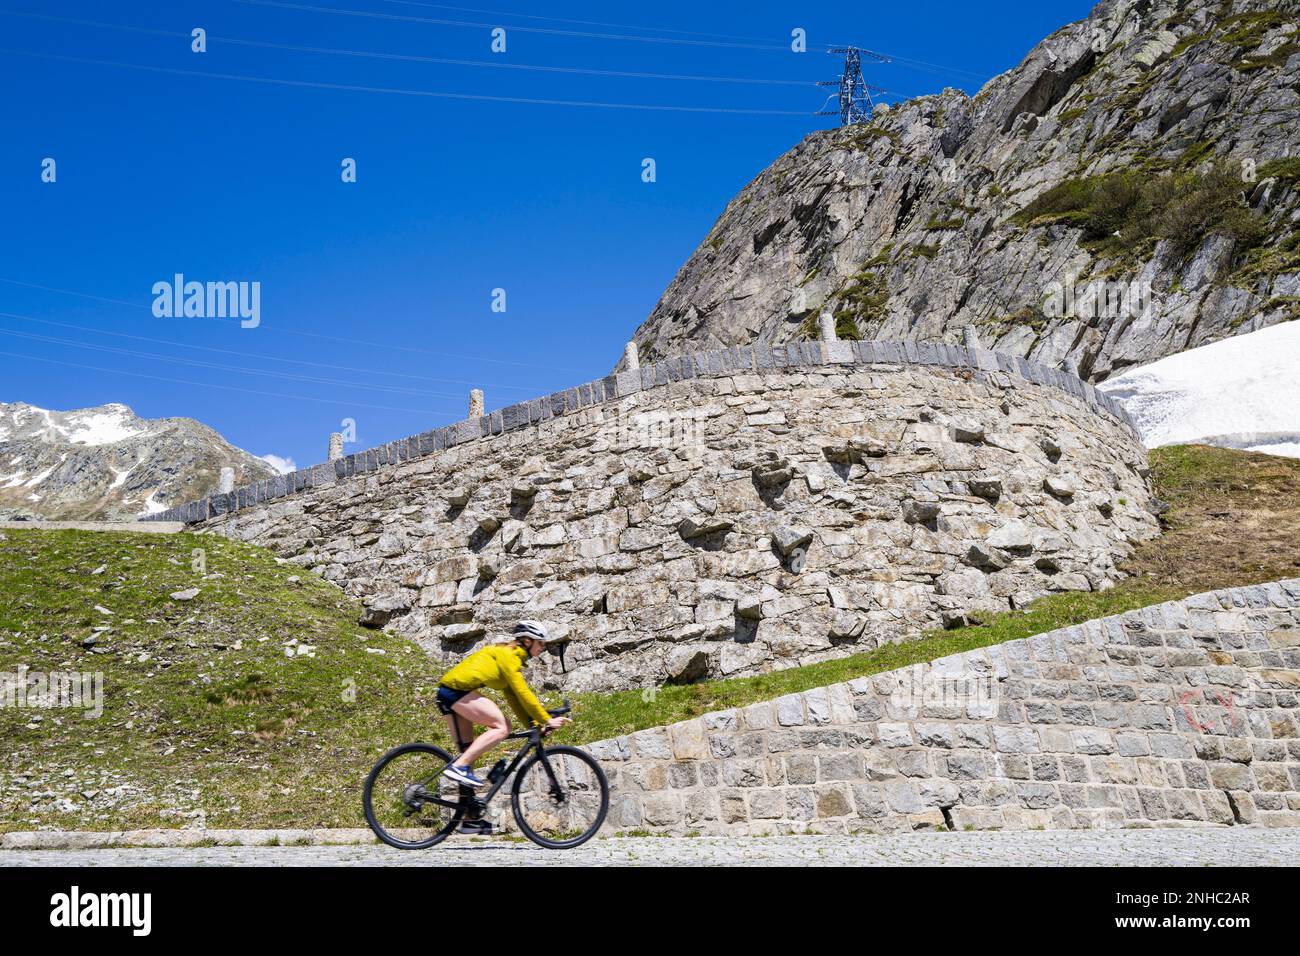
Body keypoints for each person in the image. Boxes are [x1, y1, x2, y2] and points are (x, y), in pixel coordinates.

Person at [436, 620, 571, 796]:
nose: (543, 647)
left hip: (448, 693)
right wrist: (547, 719)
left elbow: (514, 698)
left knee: (468, 755)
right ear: (528, 641)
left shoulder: (510, 657)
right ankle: (459, 766)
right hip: (456, 691)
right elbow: (523, 692)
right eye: (541, 643)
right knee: (502, 727)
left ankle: (470, 817)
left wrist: (534, 726)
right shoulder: (509, 656)